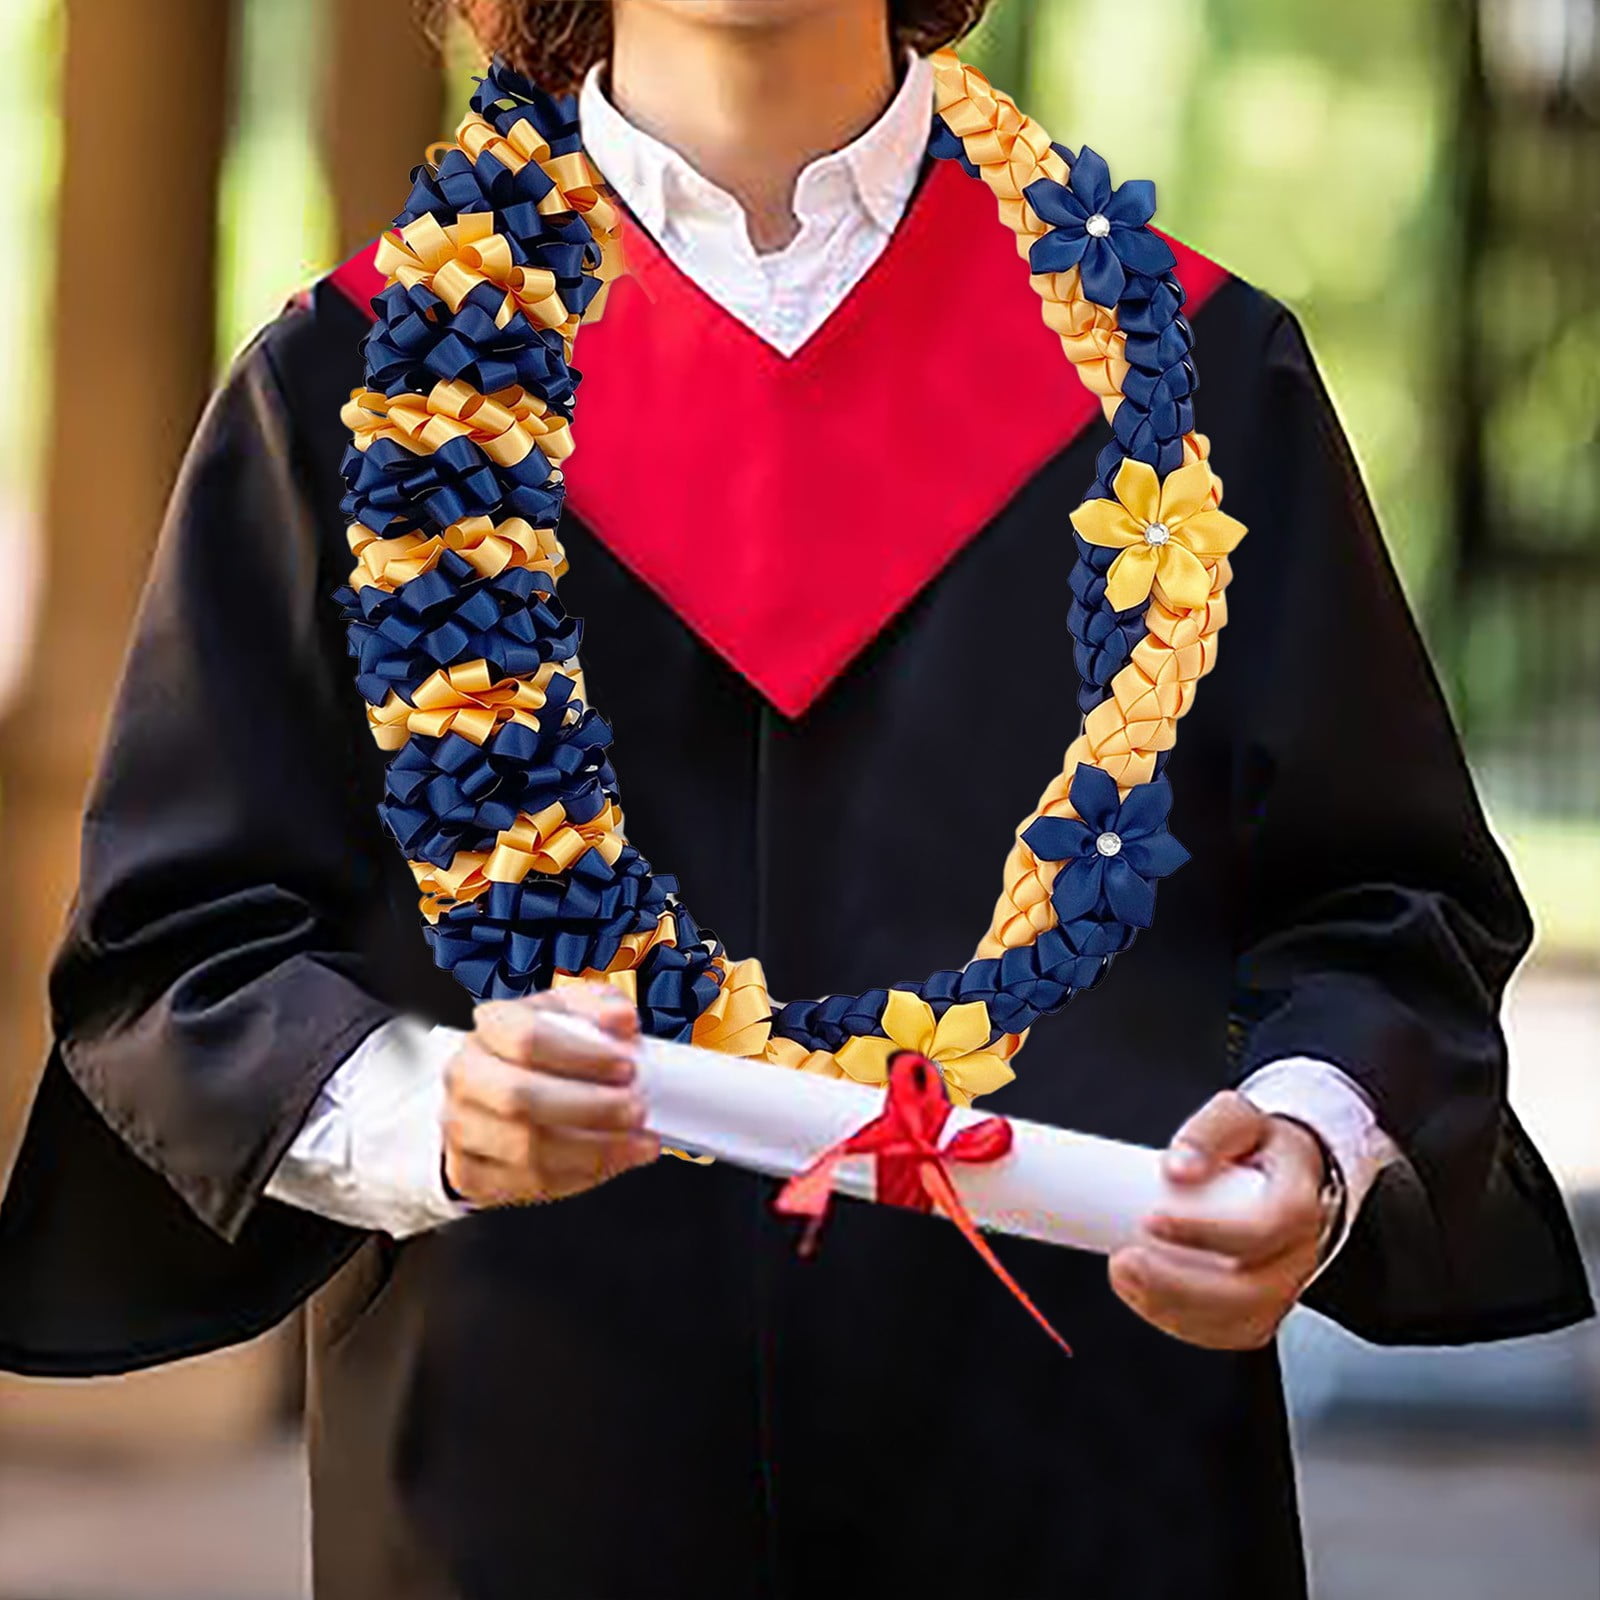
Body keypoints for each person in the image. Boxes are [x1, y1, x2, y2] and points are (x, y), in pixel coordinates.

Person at [0, 2, 1590, 1596]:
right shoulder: (357, 396)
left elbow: (1384, 909)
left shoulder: (1187, 379)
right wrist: (433, 1114)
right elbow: (178, 954)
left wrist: (1308, 1148)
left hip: (1094, 1487)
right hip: (531, 1490)